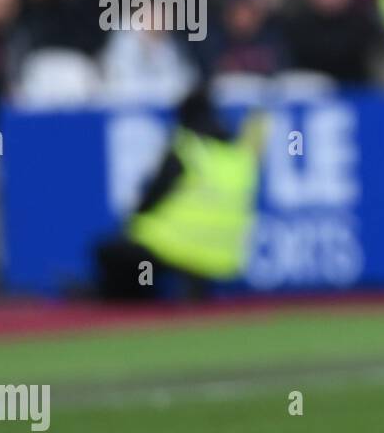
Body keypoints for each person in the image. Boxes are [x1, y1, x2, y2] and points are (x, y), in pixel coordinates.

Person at [94, 86, 264, 300]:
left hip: (174, 248)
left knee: (116, 254)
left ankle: (138, 298)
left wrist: (132, 222)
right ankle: (188, 290)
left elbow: (151, 198)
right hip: (223, 256)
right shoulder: (240, 155)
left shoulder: (187, 148)